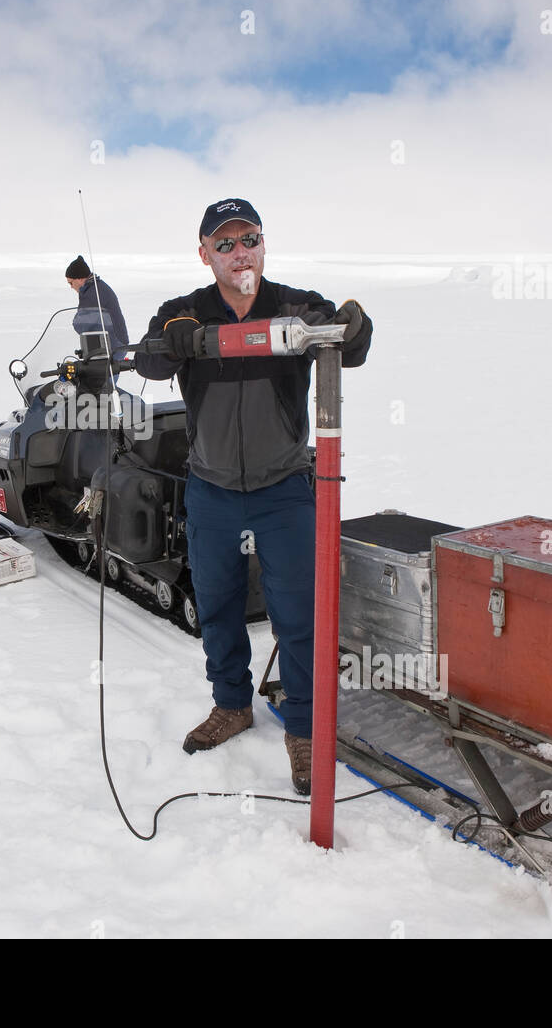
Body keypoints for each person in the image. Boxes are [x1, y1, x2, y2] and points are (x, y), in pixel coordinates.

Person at [132, 198, 372, 794]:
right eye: (226, 243)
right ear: (205, 253)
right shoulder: (182, 312)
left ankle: (303, 728)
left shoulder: (297, 307)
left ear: (263, 245)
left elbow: (351, 346)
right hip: (211, 490)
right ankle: (232, 705)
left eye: (249, 240)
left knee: (297, 614)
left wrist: (357, 327)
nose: (239, 252)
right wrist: (179, 341)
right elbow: (147, 360)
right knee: (217, 606)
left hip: (285, 489)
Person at [66, 256, 128, 354]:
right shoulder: (95, 287)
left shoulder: (93, 293)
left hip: (112, 348)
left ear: (80, 279)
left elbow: (81, 324)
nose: (71, 287)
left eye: (71, 283)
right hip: (109, 345)